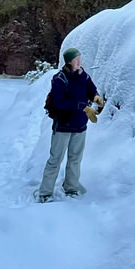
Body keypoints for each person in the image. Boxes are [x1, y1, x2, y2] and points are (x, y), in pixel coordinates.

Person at [37, 47, 102, 201]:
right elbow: (60, 102)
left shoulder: (83, 76)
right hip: (63, 126)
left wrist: (96, 97)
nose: (79, 61)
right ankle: (45, 192)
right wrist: (83, 106)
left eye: (80, 58)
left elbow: (91, 89)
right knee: (55, 160)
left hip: (80, 125)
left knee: (75, 159)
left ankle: (71, 187)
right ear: (68, 62)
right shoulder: (60, 79)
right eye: (75, 59)